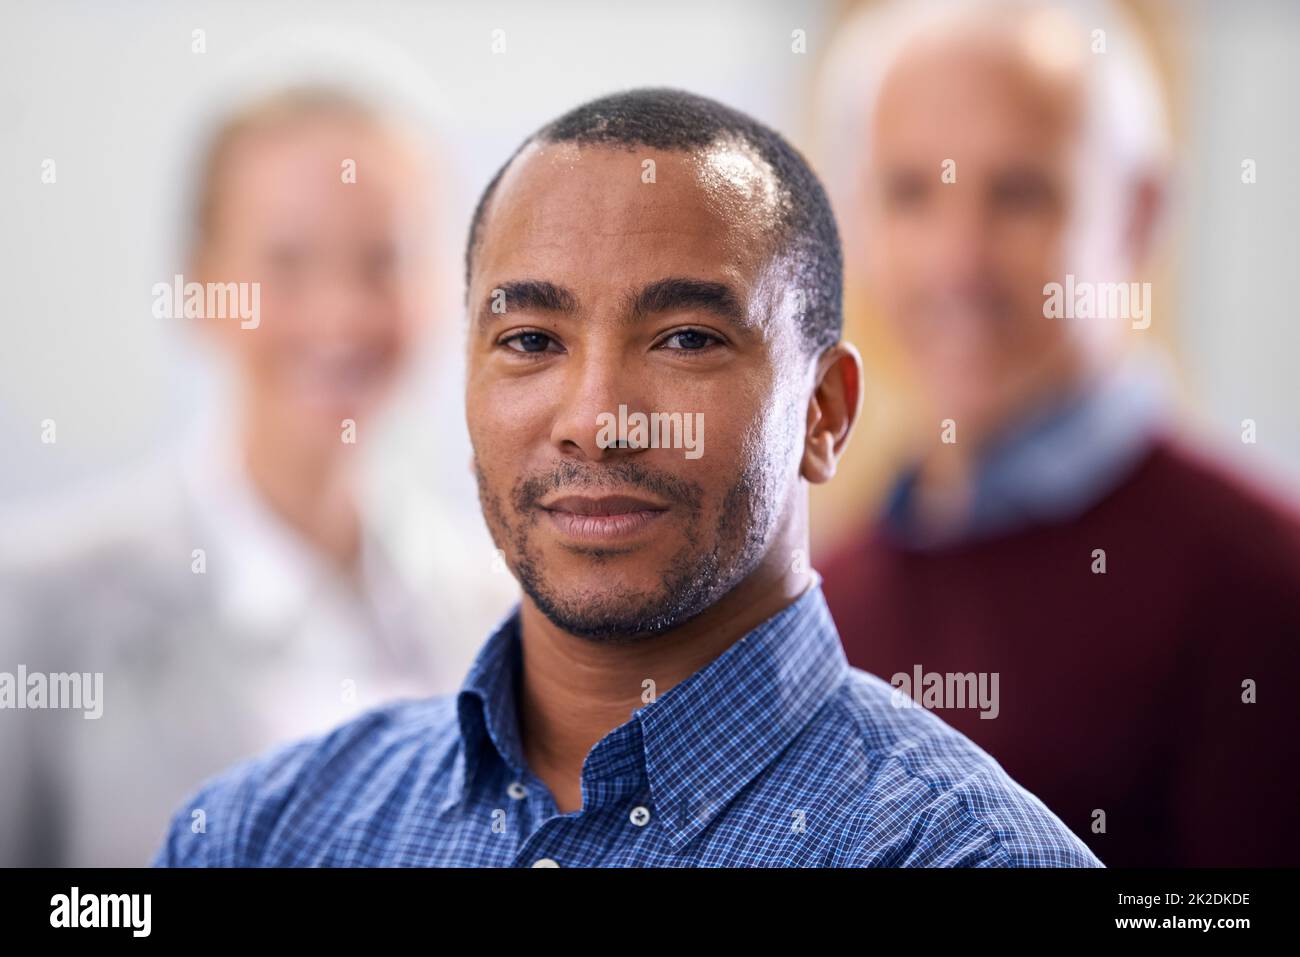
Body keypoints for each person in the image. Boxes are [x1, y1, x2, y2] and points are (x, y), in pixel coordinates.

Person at [153, 88, 1100, 868]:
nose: (596, 421)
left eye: (686, 339)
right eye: (530, 340)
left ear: (824, 413)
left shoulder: (960, 855)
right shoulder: (259, 836)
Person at [814, 0, 1300, 865]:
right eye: (911, 193)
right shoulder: (826, 594)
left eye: (1020, 195)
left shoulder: (1263, 581)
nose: (956, 260)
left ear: (1138, 216)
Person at [0, 84, 504, 866]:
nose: (338, 315)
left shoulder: (507, 620)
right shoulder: (34, 613)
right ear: (200, 282)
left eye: (384, 261)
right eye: (286, 263)